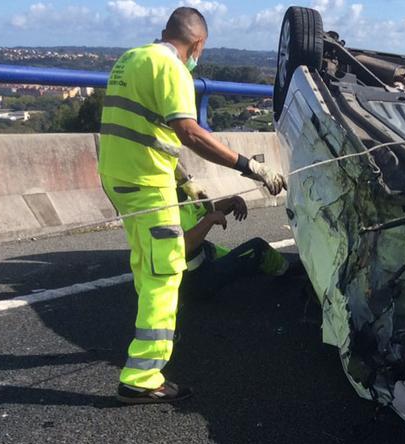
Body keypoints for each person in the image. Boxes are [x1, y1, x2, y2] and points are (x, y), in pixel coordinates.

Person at [97, 7, 286, 404]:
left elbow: (147, 130)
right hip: (146, 184)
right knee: (164, 275)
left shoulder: (131, 59)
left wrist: (185, 180)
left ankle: (159, 331)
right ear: (198, 43)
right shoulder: (173, 70)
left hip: (120, 176)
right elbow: (189, 132)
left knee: (147, 261)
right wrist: (251, 168)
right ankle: (143, 376)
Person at [177, 187, 289, 300]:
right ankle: (286, 271)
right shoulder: (165, 214)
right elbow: (182, 247)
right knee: (256, 248)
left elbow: (208, 209)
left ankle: (250, 270)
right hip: (189, 281)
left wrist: (232, 201)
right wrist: (209, 220)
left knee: (213, 249)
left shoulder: (179, 200)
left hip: (198, 263)